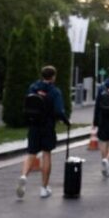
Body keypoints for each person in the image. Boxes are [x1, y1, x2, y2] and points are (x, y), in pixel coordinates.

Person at [17, 65, 70, 199]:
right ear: (53, 77)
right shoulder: (55, 91)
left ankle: (23, 176)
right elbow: (59, 111)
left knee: (31, 153)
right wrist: (65, 120)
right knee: (46, 154)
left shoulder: (33, 88)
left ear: (42, 75)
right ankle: (44, 188)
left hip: (34, 125)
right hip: (47, 126)